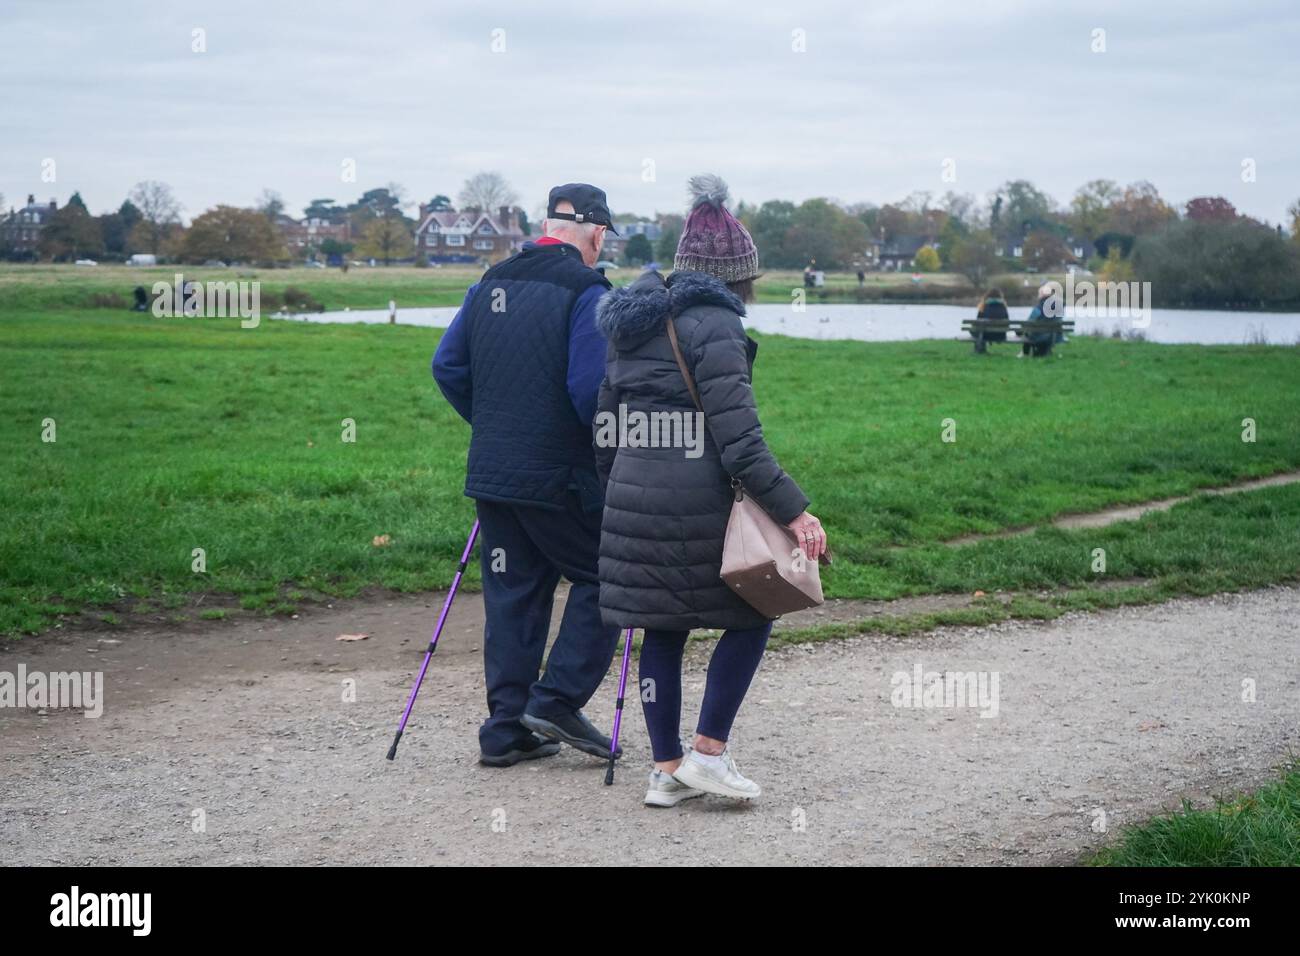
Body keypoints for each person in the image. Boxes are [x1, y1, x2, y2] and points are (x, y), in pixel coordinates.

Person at [594, 174, 828, 806]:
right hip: (696, 503)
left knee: (661, 630)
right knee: (757, 610)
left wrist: (615, 493)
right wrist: (795, 511)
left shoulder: (631, 321)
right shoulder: (715, 326)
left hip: (632, 499)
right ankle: (708, 755)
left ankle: (666, 771)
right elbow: (741, 441)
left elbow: (605, 426)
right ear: (737, 275)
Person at [432, 183, 624, 767]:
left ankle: (505, 731)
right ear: (594, 231)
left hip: (494, 473)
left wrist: (492, 426)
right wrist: (611, 457)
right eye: (603, 239)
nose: (602, 249)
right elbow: (590, 389)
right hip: (559, 474)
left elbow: (447, 366)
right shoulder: (587, 288)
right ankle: (557, 700)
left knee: (513, 594)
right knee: (609, 578)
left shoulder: (491, 279)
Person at [1020, 282, 1058, 357]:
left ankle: (1025, 353)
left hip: (1037, 336)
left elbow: (1029, 322)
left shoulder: (1038, 308)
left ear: (1041, 295)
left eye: (1039, 294)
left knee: (1027, 332)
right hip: (1052, 337)